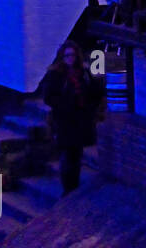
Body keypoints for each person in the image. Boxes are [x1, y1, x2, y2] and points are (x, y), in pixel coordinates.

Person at [41, 40, 104, 194]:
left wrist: (90, 105)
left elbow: (94, 92)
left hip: (80, 119)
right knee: (68, 154)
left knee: (77, 153)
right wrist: (65, 105)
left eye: (73, 55)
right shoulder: (56, 75)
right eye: (67, 55)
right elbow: (49, 97)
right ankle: (68, 187)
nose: (70, 58)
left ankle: (73, 185)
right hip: (65, 120)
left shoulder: (83, 73)